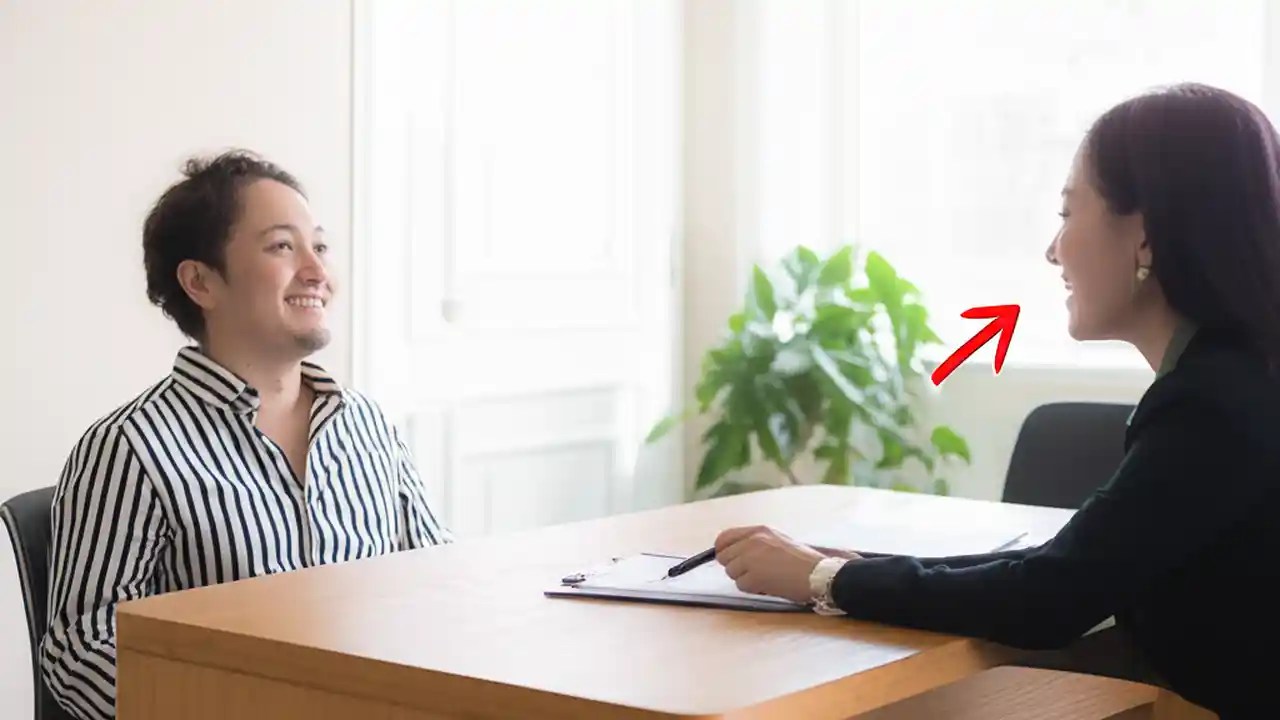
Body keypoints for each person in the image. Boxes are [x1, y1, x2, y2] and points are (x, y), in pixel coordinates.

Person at [713, 83, 1275, 719]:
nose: (1052, 249)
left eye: (1068, 213)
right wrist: (855, 568)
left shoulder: (1210, 403)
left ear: (1143, 236)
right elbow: (1070, 562)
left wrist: (824, 581)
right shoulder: (1239, 379)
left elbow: (1049, 599)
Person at [40, 150, 452, 720]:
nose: (317, 270)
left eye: (321, 247)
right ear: (201, 281)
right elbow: (81, 651)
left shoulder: (368, 427)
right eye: (283, 246)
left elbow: (439, 583)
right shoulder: (131, 446)